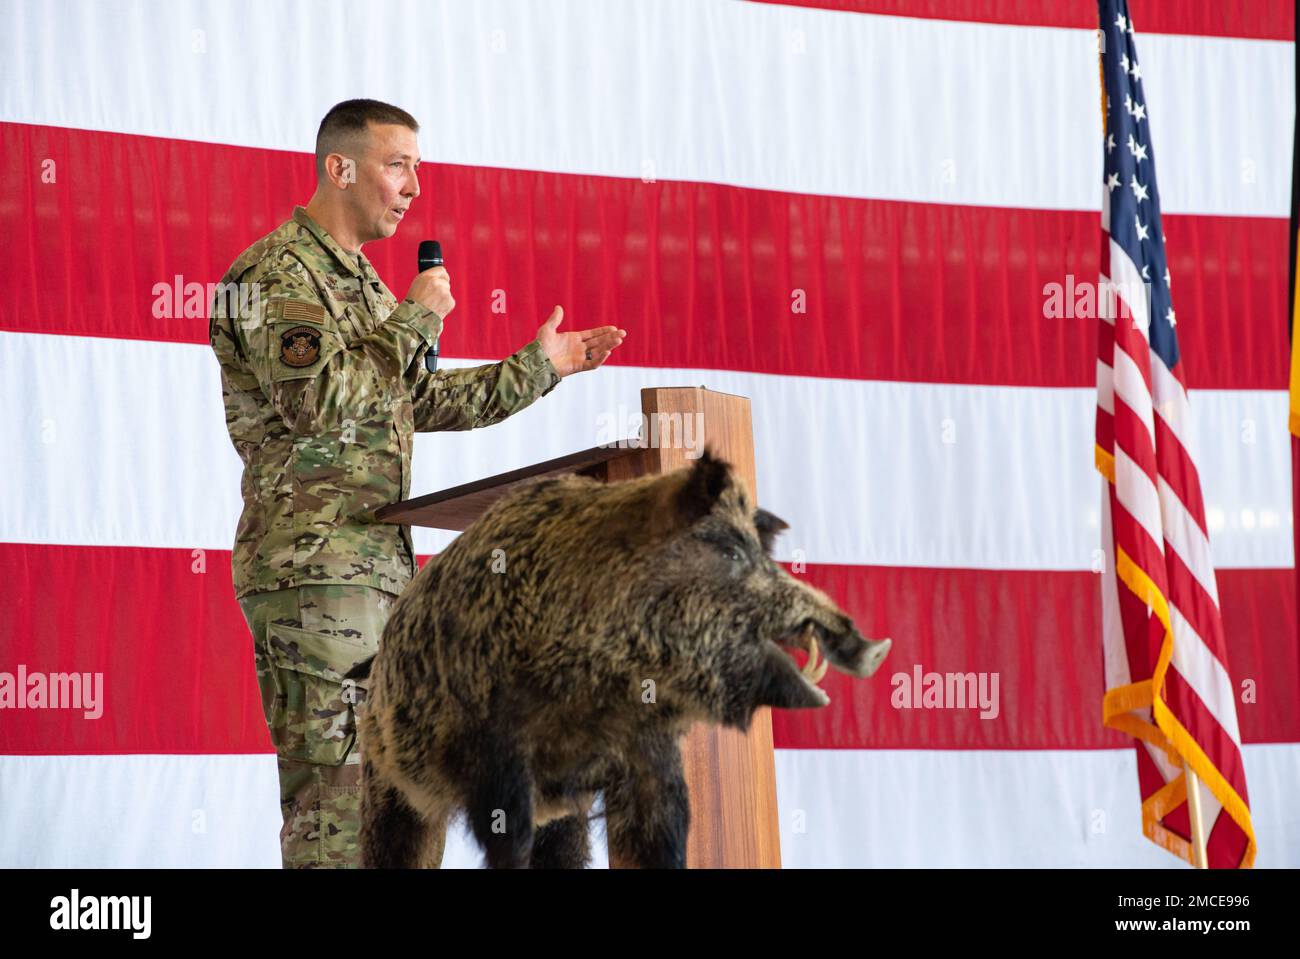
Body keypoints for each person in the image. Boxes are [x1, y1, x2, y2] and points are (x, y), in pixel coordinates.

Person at [209, 98, 626, 867]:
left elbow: (417, 400)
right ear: (340, 168)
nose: (413, 188)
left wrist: (541, 367)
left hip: (381, 577)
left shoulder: (363, 285)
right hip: (315, 576)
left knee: (395, 808)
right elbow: (314, 404)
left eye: (418, 170)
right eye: (397, 165)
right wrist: (414, 320)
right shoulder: (274, 275)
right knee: (336, 811)